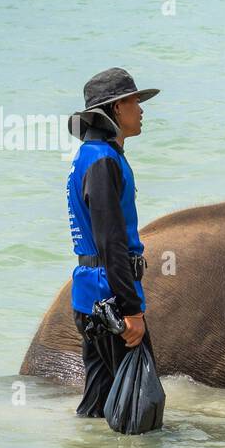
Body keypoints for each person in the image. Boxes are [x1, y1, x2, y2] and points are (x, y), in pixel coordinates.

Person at [65, 68, 160, 417]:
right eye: (135, 101)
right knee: (141, 411)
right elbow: (112, 242)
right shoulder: (103, 161)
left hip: (90, 297)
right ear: (117, 108)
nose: (142, 109)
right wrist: (132, 310)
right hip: (111, 303)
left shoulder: (91, 156)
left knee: (97, 408)